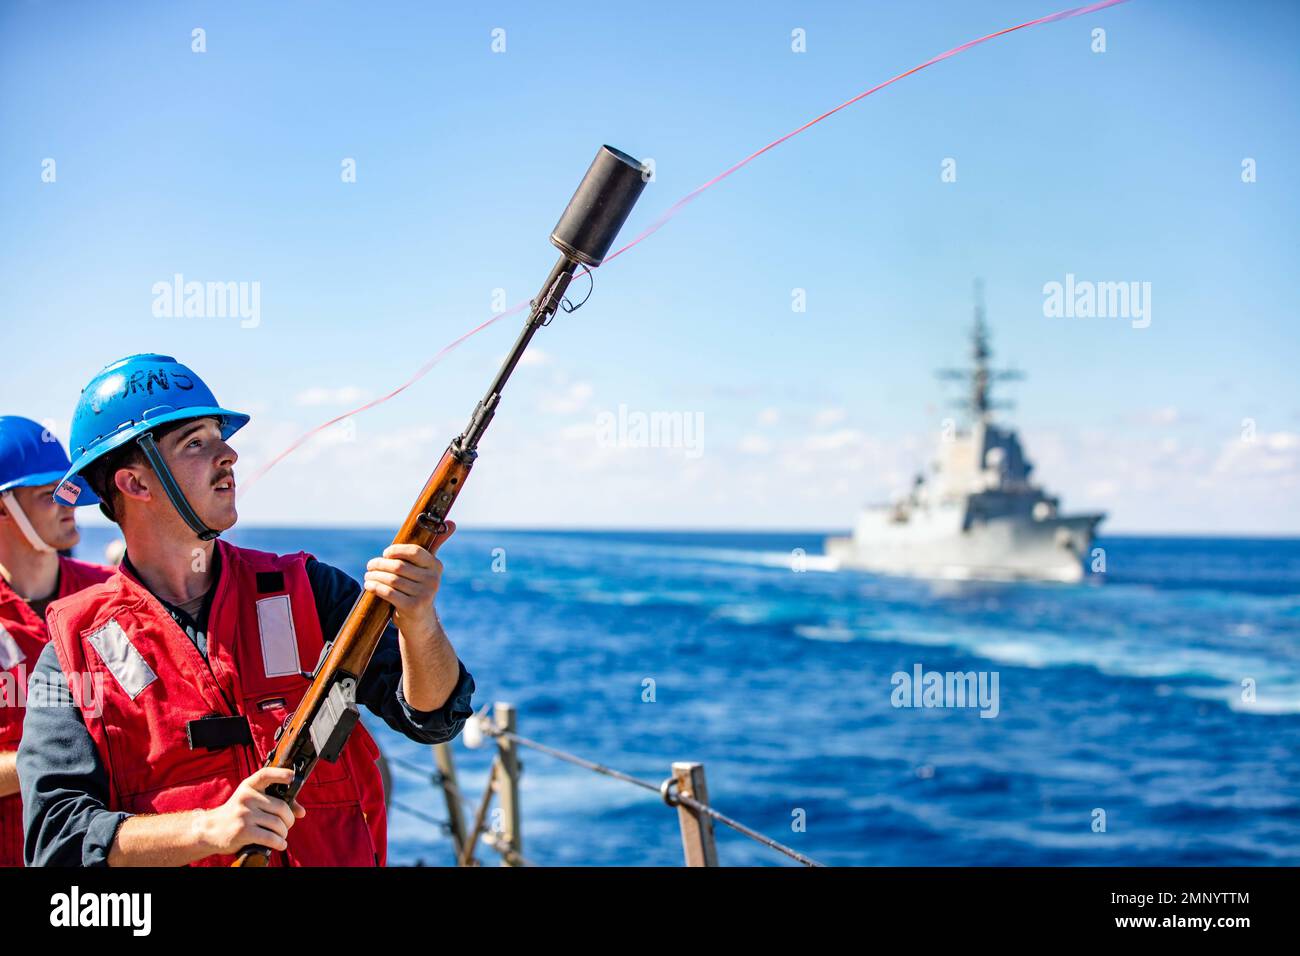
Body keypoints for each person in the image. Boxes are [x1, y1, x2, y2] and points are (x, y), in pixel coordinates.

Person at [18, 354, 475, 866]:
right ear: (135, 485)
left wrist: (418, 622)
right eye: (196, 443)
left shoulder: (310, 589)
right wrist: (206, 829)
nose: (229, 454)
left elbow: (433, 719)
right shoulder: (70, 650)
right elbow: (57, 839)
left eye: (220, 436)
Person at [0, 416, 114, 867]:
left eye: (69, 489)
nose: (70, 504)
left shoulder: (110, 594)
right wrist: (63, 758)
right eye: (50, 494)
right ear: (3, 508)